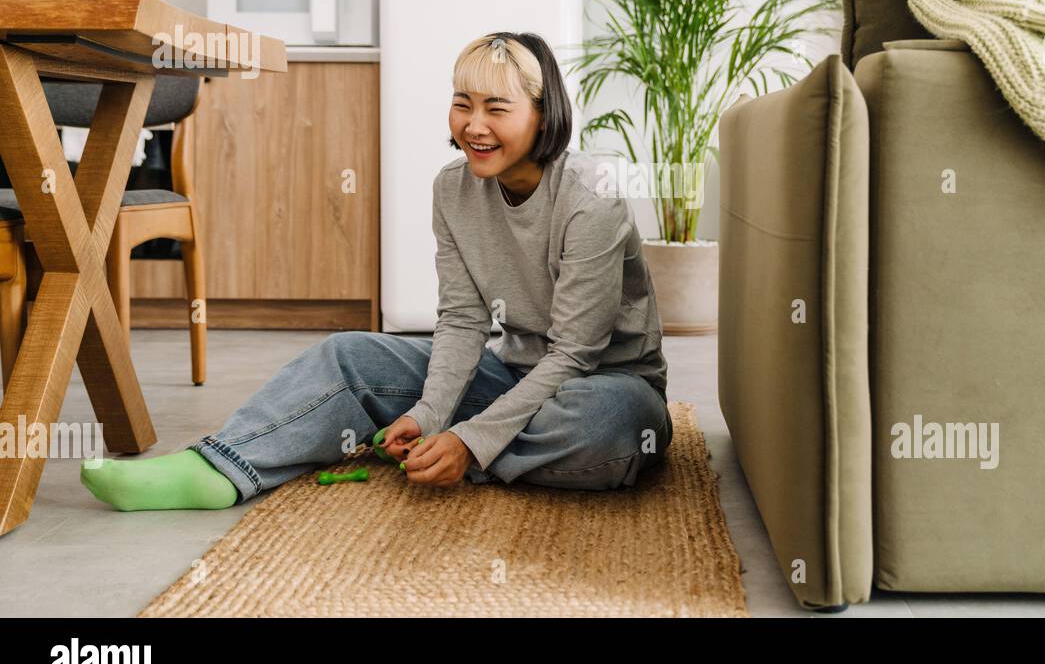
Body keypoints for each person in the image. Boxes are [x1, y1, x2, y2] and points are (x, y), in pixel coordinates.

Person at [79, 31, 672, 510]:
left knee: (613, 424)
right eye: (463, 104)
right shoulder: (453, 190)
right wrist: (430, 413)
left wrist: (470, 437)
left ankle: (466, 452)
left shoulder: (591, 199)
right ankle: (222, 467)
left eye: (497, 108)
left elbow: (574, 355)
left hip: (601, 387)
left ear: (543, 118)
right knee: (349, 355)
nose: (474, 125)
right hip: (513, 378)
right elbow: (464, 320)